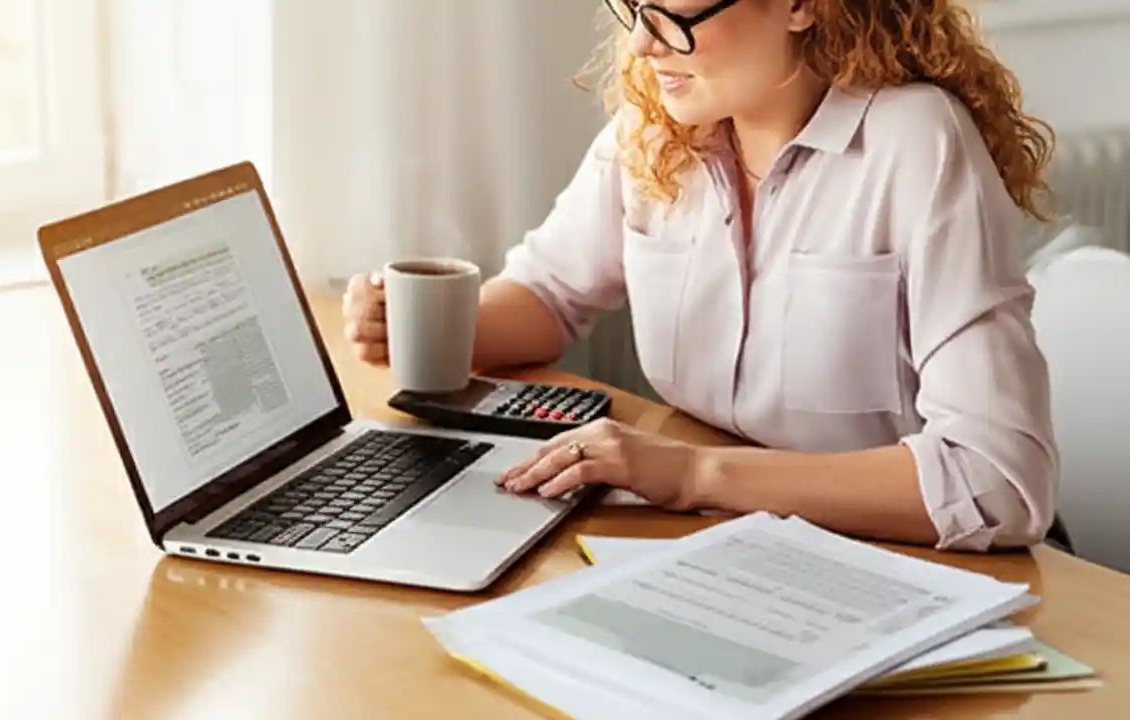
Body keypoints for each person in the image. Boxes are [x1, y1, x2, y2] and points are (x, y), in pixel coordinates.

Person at [340, 0, 1059, 551]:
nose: (643, 44)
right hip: (728, 542)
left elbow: (996, 479)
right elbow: (550, 295)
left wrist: (692, 475)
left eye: (677, 17)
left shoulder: (915, 142)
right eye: (635, 7)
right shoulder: (658, 128)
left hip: (908, 560)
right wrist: (422, 324)